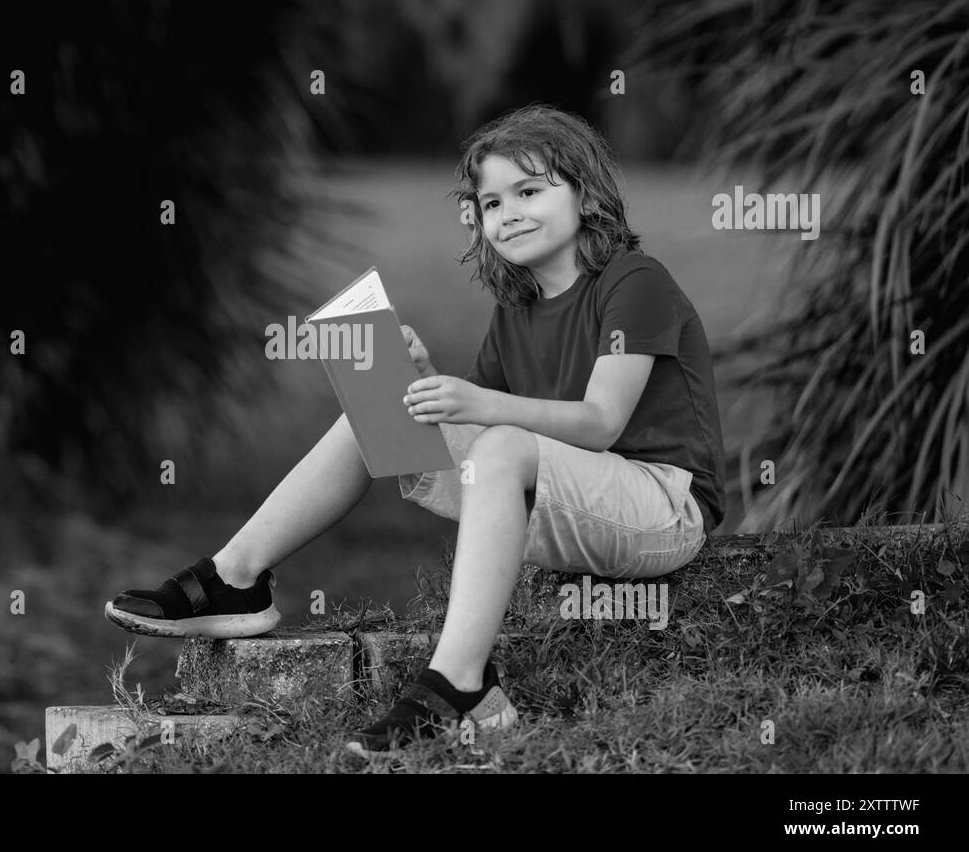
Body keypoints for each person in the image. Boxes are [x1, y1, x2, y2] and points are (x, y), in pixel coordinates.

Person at [104, 102, 726, 759]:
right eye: (490, 202)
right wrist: (427, 383)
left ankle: (461, 684)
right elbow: (496, 438)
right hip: (564, 503)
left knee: (502, 442)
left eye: (529, 191)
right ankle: (237, 576)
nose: (507, 212)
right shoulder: (517, 309)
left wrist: (478, 402)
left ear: (585, 195)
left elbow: (598, 423)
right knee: (385, 406)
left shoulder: (635, 281)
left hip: (662, 506)